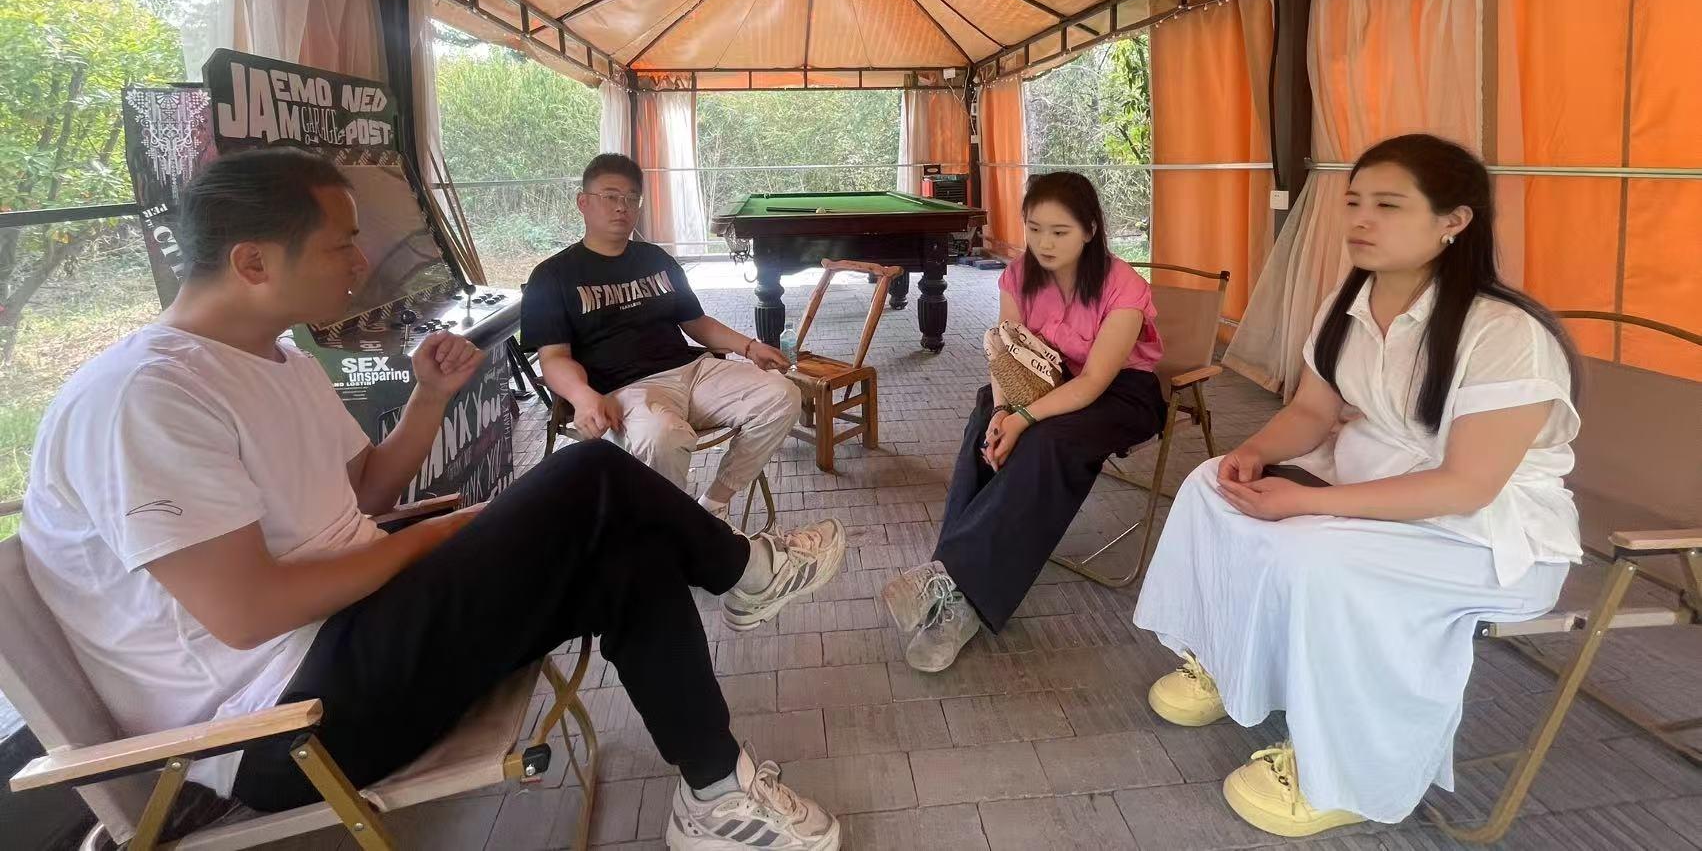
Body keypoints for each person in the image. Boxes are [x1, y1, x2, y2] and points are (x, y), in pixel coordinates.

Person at [21, 147, 847, 851]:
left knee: (627, 553)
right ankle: (744, 573)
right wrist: (449, 531)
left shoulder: (281, 361)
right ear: (253, 263)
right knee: (590, 472)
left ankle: (715, 793)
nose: (360, 263)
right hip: (281, 724)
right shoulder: (146, 396)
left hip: (355, 642)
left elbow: (366, 490)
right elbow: (248, 612)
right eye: (342, 244)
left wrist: (427, 401)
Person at [1133, 133, 1582, 838]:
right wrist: (1251, 453)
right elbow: (1312, 412)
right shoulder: (1347, 306)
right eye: (1353, 202)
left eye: (1388, 205)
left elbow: (1465, 487)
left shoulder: (1506, 333)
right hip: (1369, 489)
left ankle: (1342, 774)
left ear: (1453, 221)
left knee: (1312, 553)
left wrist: (1308, 501)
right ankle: (1224, 660)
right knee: (1208, 488)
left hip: (1488, 538)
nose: (1361, 220)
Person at [881, 171, 1165, 672]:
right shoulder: (1019, 275)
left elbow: (1094, 382)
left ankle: (952, 583)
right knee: (982, 420)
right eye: (1034, 229)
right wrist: (1001, 412)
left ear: (1090, 230)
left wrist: (1025, 417)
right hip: (1045, 376)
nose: (1044, 243)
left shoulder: (1123, 287)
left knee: (1046, 440)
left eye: (1060, 232)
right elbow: (1007, 354)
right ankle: (953, 587)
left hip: (1121, 392)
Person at [524, 153, 801, 518]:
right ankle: (671, 528)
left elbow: (695, 322)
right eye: (610, 196)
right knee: (662, 436)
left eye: (631, 198)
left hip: (692, 372)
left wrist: (749, 347)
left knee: (782, 395)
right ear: (583, 202)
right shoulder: (552, 276)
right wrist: (583, 396)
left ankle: (710, 508)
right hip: (626, 390)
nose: (622, 207)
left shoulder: (656, 259)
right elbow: (553, 358)